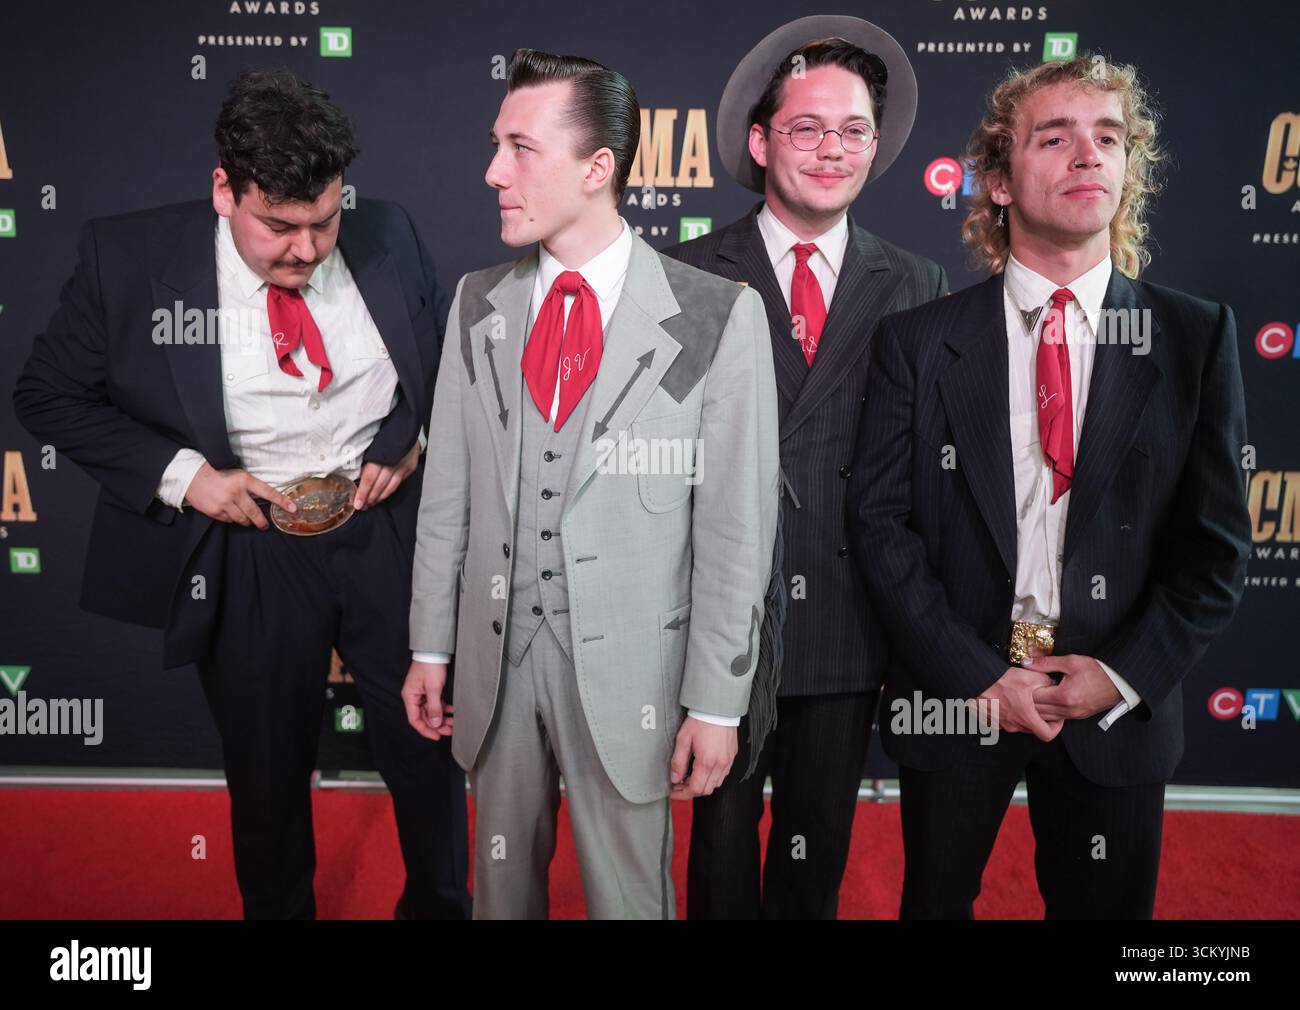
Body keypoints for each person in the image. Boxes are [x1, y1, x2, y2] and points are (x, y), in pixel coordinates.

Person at [13, 68, 471, 920]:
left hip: (384, 535)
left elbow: (445, 367)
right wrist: (190, 480)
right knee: (265, 773)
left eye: (324, 220)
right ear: (224, 189)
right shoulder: (127, 261)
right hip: (249, 547)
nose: (307, 248)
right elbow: (46, 396)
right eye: (279, 227)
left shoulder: (390, 234)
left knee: (427, 747)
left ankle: (441, 907)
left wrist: (411, 439)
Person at [847, 55, 1250, 918]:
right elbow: (880, 525)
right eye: (1055, 137)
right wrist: (979, 677)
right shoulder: (916, 342)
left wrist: (1121, 675)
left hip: (1116, 714)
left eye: (1108, 138)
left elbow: (1213, 554)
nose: (1087, 156)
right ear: (996, 180)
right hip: (960, 703)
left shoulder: (1193, 338)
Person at [402, 48, 780, 919]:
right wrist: (431, 647)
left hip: (635, 679)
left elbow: (735, 530)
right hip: (496, 664)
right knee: (500, 896)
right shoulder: (476, 304)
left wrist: (716, 704)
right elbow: (449, 494)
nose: (494, 171)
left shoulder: (715, 315)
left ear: (596, 167)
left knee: (628, 902)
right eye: (498, 144)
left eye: (520, 148)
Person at [665, 17, 946, 919]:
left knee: (813, 856)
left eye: (853, 130)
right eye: (807, 127)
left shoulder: (916, 283)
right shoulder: (686, 275)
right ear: (759, 140)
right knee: (715, 856)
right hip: (721, 622)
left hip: (848, 620)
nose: (832, 150)